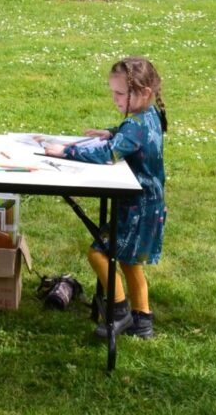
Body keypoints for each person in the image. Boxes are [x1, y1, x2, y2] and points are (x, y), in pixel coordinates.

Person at [41, 56, 167, 339]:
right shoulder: (149, 115)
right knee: (130, 262)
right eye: (113, 92)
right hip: (149, 205)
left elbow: (108, 154)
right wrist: (111, 132)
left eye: (120, 93)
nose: (115, 99)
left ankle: (119, 312)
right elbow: (131, 135)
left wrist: (66, 151)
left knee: (99, 254)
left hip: (136, 208)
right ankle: (143, 322)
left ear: (144, 92)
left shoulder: (135, 125)